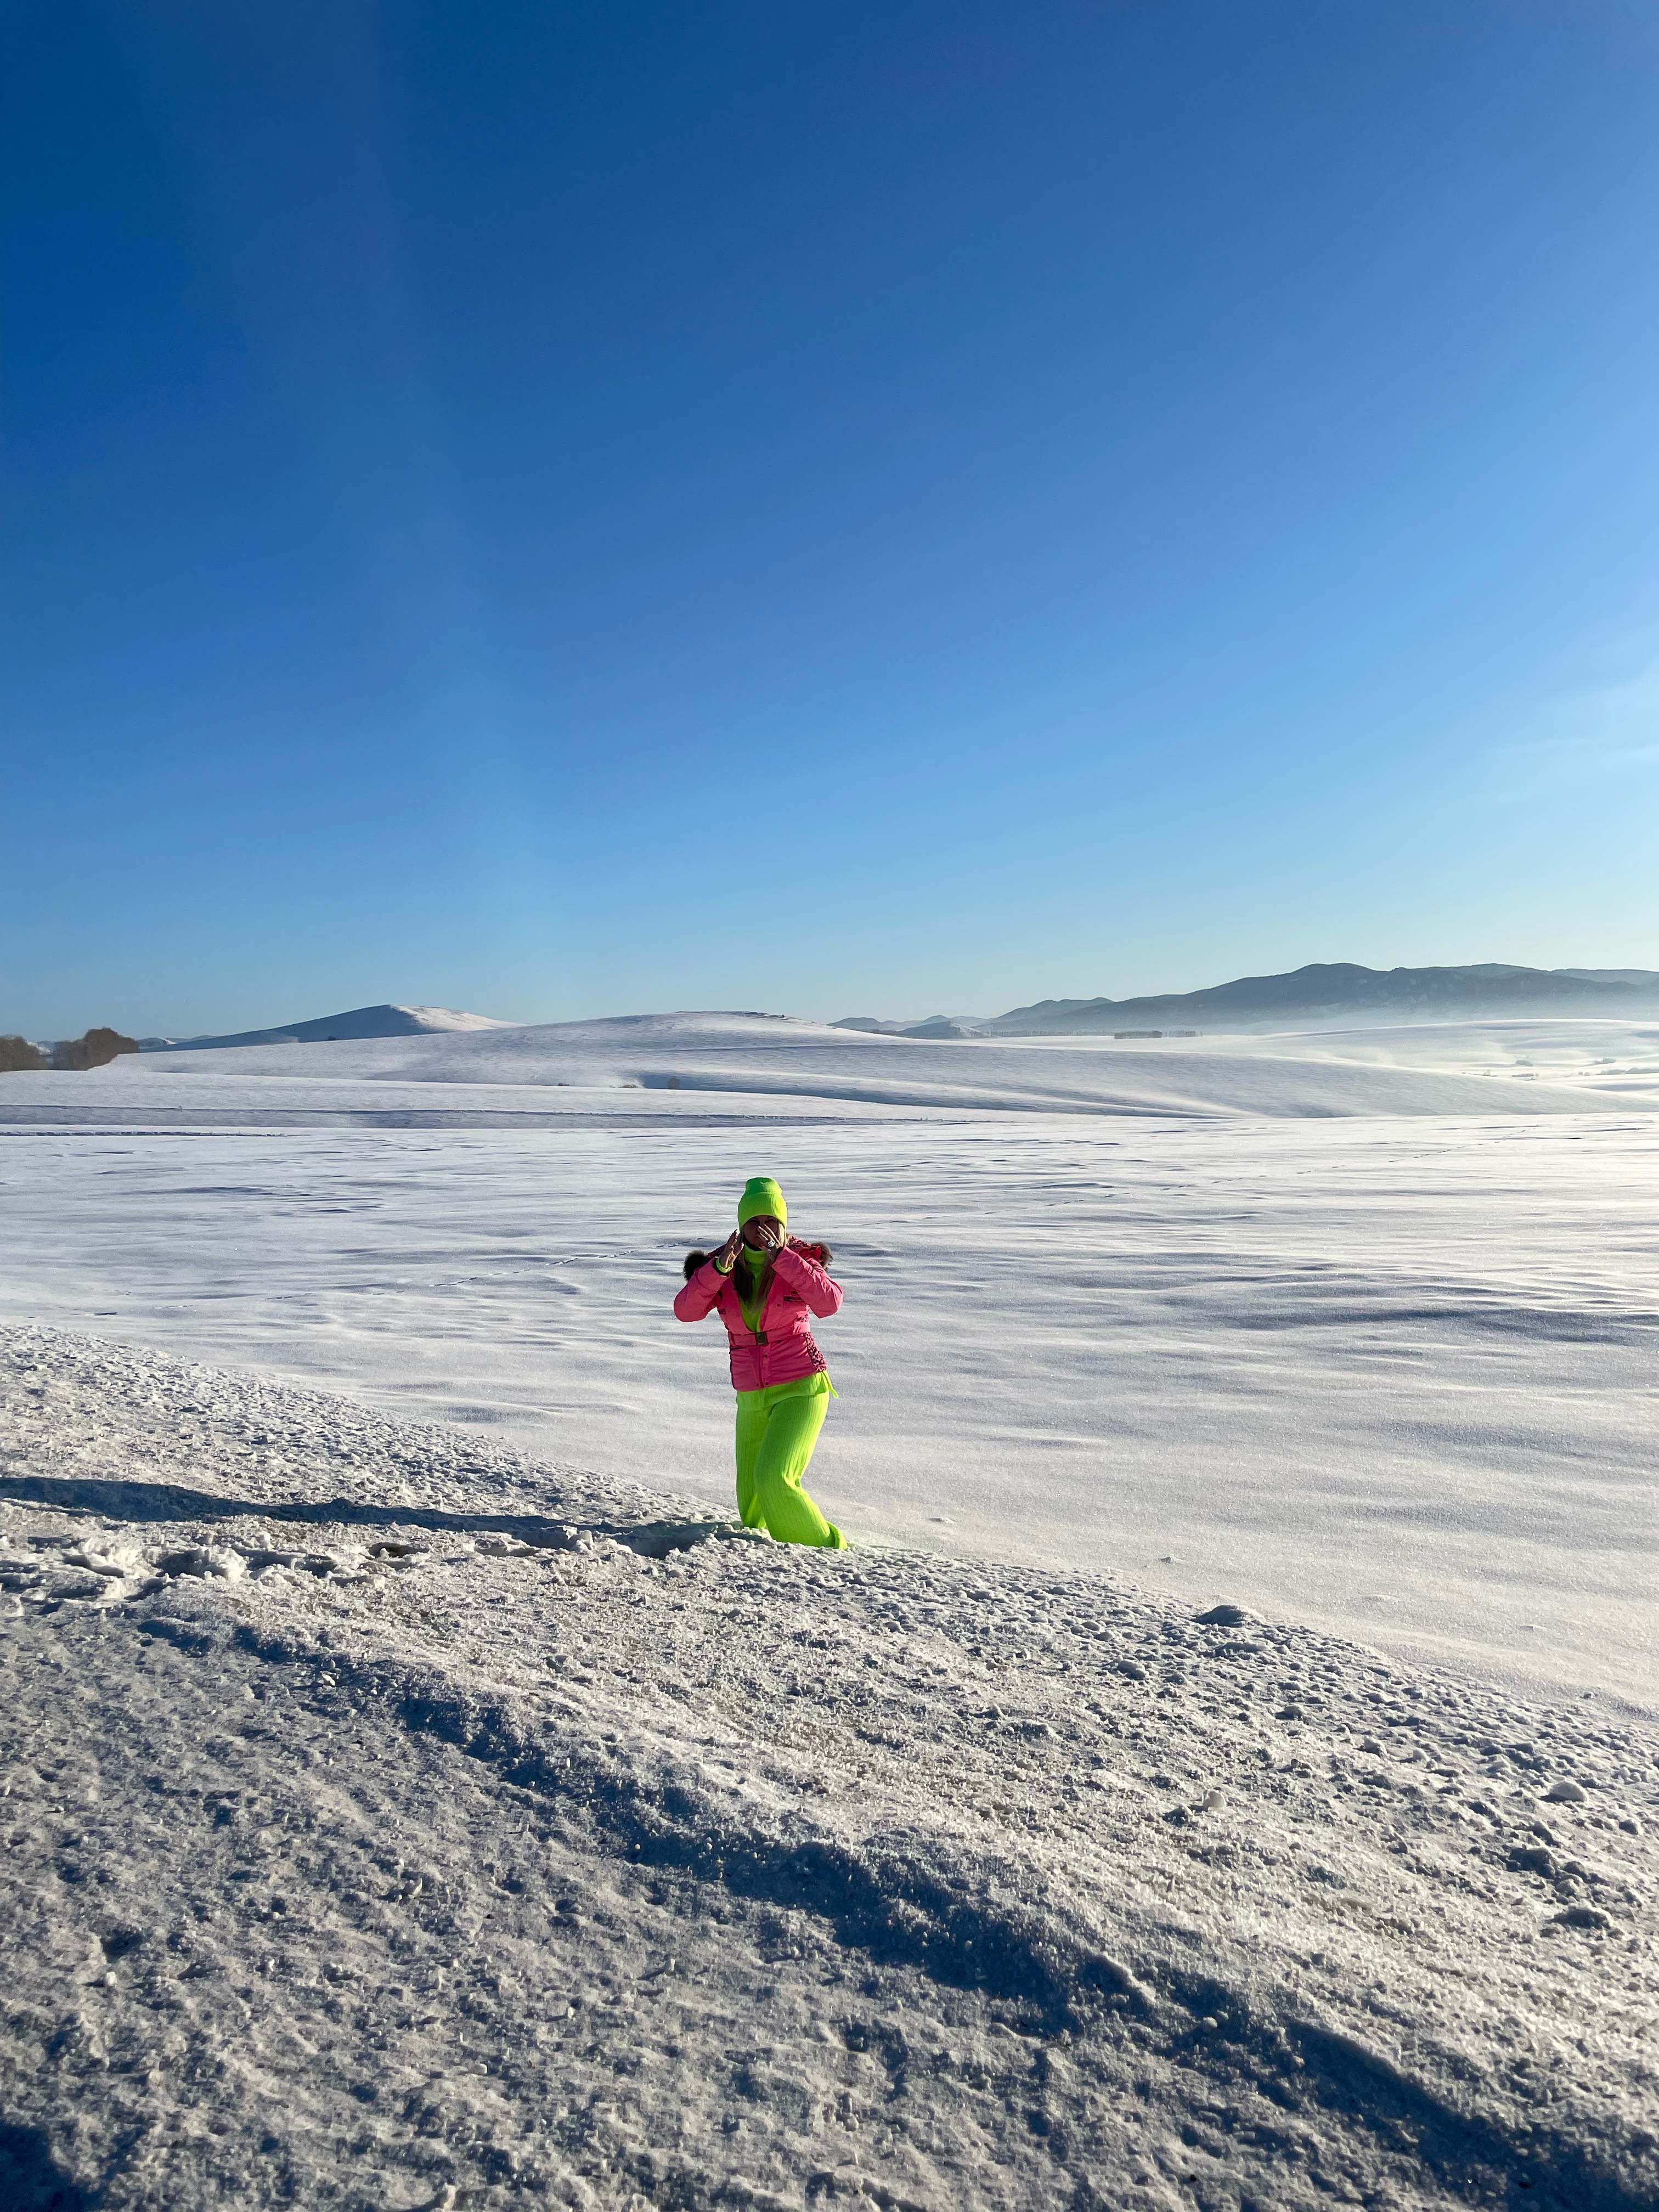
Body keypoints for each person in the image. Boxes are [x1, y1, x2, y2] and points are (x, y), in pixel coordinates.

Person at [675, 1175, 847, 1548]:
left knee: (775, 1479)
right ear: (741, 1225)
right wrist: (719, 1270)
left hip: (801, 1386)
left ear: (784, 1225)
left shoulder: (800, 1261)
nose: (762, 1229)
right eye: (754, 1221)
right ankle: (763, 1563)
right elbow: (685, 1311)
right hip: (751, 1393)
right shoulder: (723, 1264)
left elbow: (829, 1304)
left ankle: (826, 1549)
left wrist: (783, 1260)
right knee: (752, 1506)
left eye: (771, 1221)